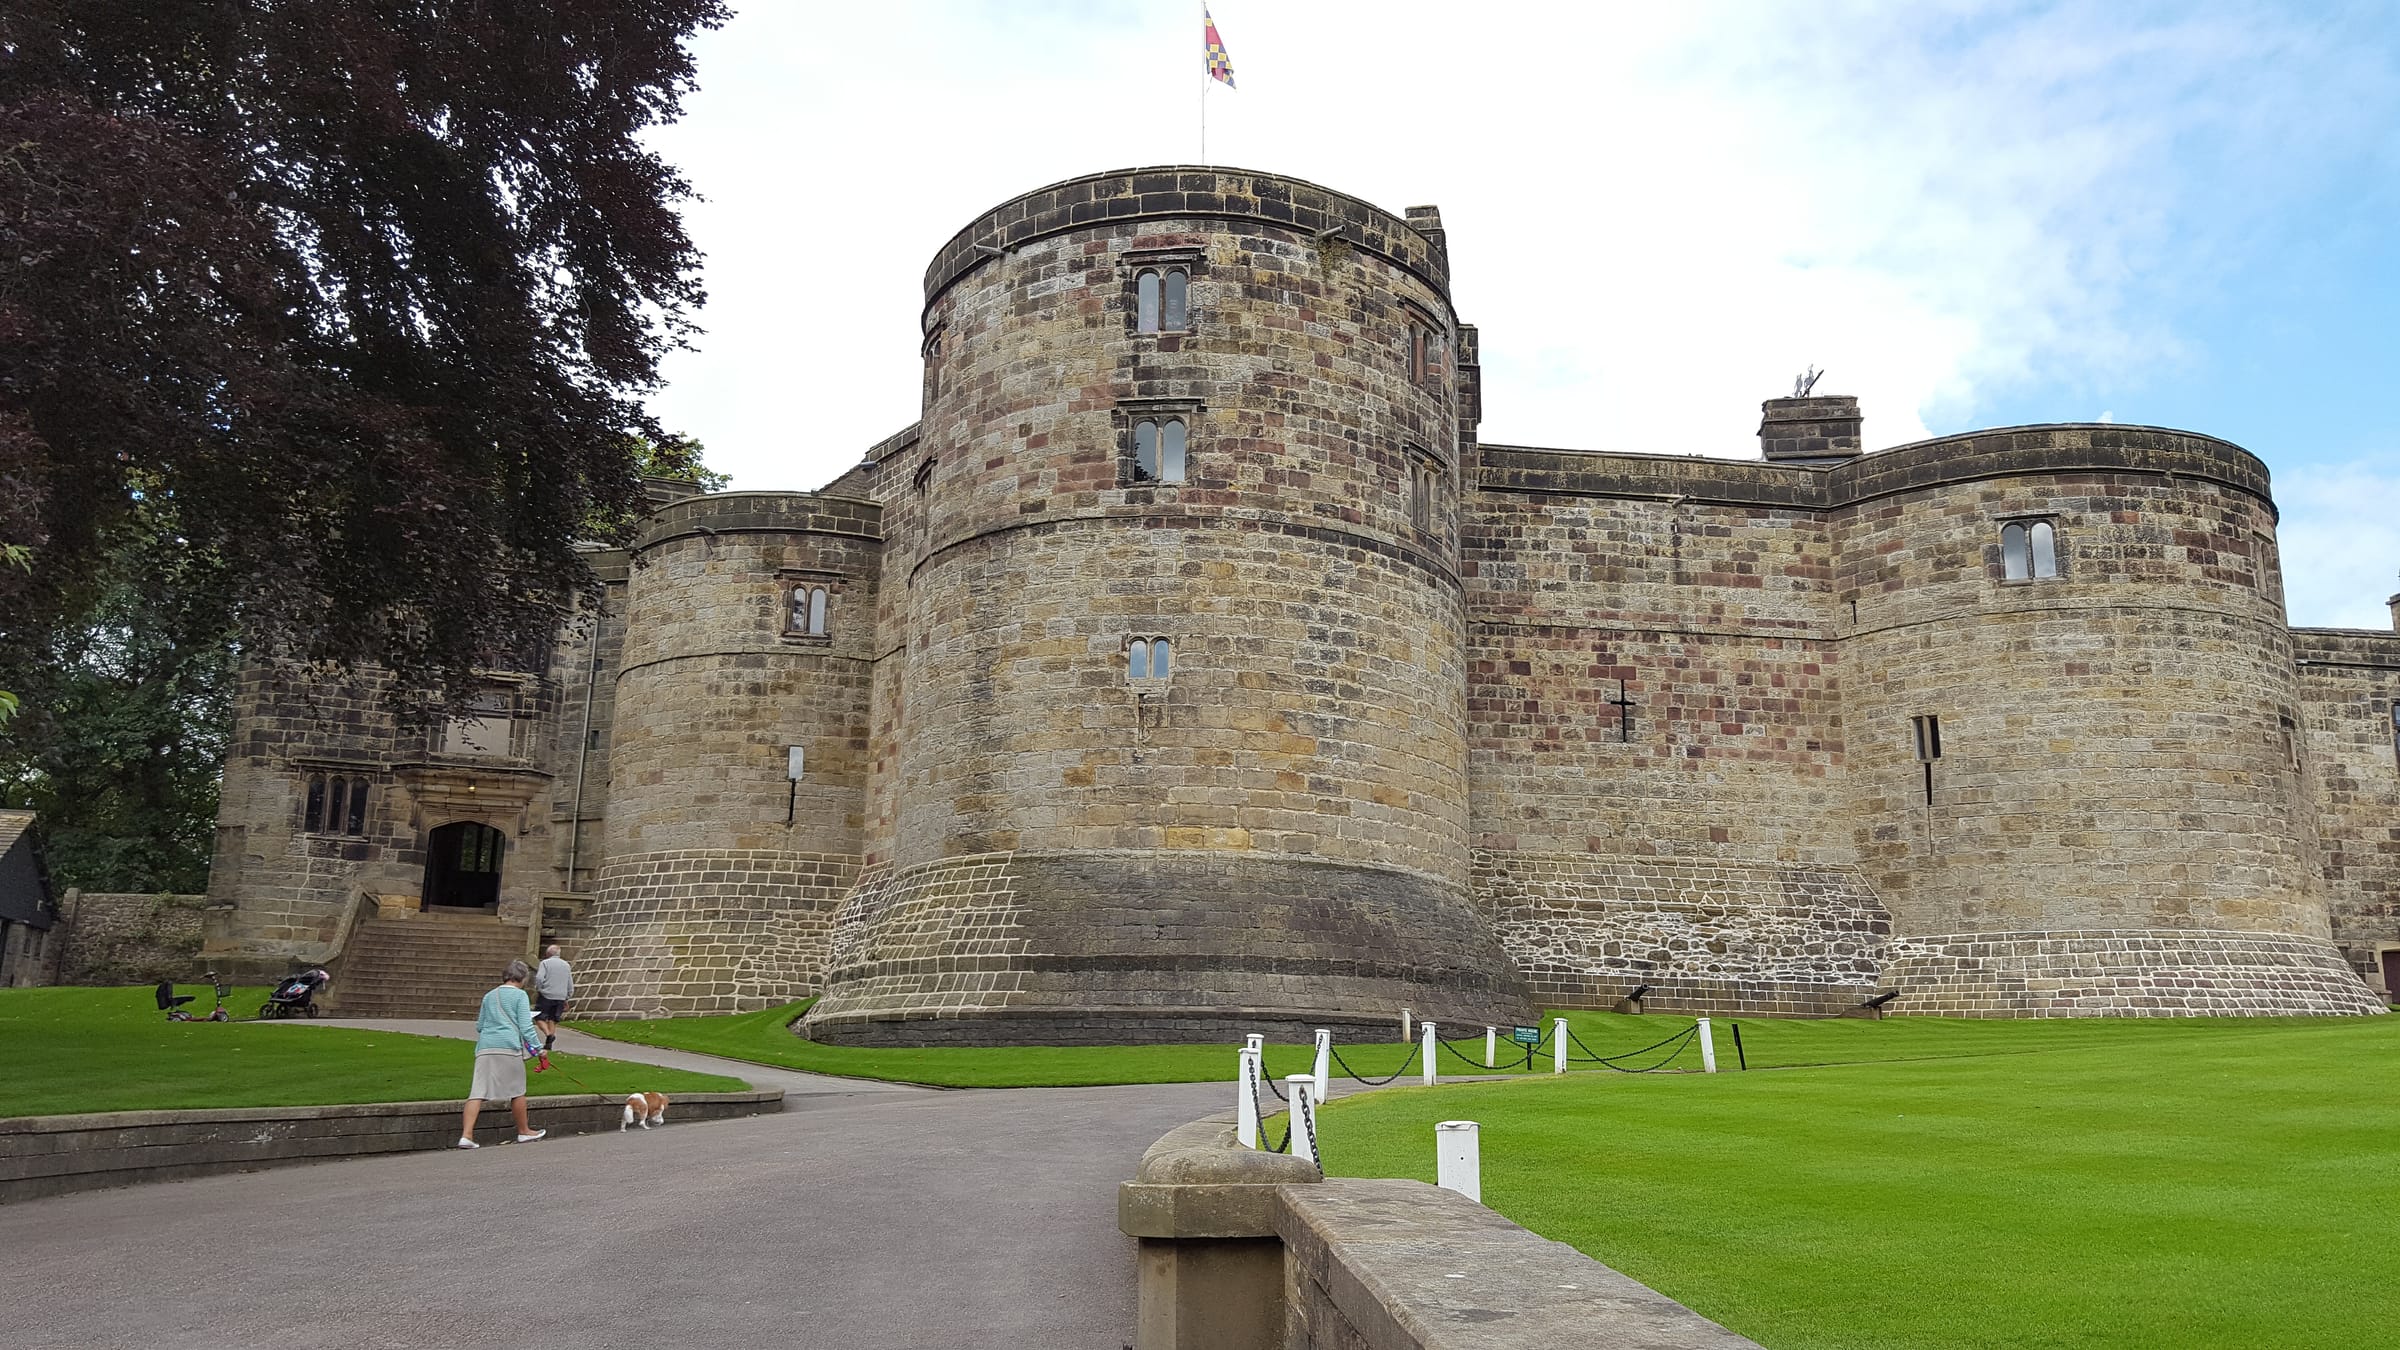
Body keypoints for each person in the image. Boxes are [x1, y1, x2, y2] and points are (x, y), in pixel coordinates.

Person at [457, 959, 546, 1149]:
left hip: (485, 1047)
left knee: (477, 1092)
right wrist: (539, 1049)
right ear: (522, 978)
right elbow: (525, 1027)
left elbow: (479, 1025)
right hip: (508, 1046)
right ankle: (524, 1131)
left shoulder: (489, 996)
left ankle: (466, 1135)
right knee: (517, 1090)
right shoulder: (520, 996)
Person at [533, 943, 573, 1051]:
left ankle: (549, 1035)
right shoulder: (566, 965)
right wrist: (568, 996)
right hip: (560, 996)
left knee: (539, 1018)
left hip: (546, 994)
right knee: (552, 1019)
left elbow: (540, 978)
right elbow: (570, 982)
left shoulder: (545, 963)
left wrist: (539, 988)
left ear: (548, 953)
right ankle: (549, 1044)